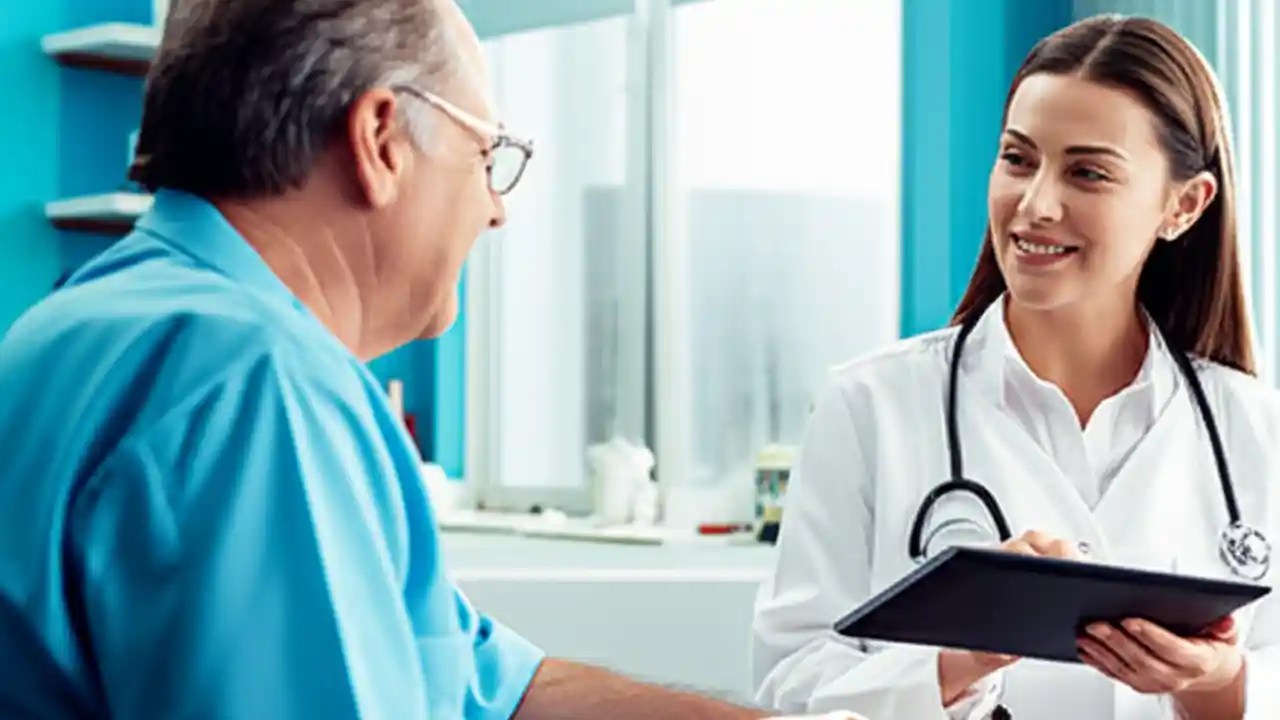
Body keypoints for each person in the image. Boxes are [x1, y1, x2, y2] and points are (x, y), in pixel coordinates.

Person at [0, 1, 863, 719]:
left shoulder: (78, 328)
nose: (497, 210)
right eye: (490, 156)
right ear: (382, 140)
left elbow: (487, 686)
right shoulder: (256, 382)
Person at [751, 14, 1280, 720]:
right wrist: (963, 653)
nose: (1035, 205)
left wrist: (1216, 682)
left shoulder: (1255, 430)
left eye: (1087, 172)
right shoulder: (869, 405)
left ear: (1183, 206)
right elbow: (789, 686)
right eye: (1018, 159)